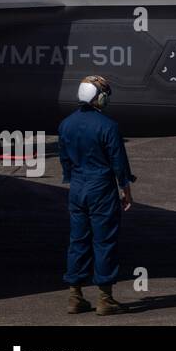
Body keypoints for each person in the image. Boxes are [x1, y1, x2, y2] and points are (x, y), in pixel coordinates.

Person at [59, 74, 135, 316]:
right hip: (101, 187)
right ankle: (105, 298)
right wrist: (126, 190)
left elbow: (64, 161)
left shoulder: (65, 124)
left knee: (78, 241)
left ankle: (75, 296)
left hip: (78, 187)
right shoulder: (108, 126)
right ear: (97, 97)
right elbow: (119, 164)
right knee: (104, 241)